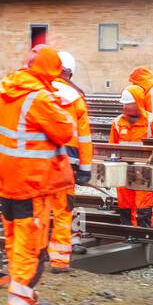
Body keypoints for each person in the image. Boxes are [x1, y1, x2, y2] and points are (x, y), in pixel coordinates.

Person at [0, 45, 76, 305]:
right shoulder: (39, 98)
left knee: (15, 243)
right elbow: (65, 131)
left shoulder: (4, 88)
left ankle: (23, 297)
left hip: (6, 183)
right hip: (31, 186)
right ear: (49, 72)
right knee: (32, 249)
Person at [47, 51, 93, 272]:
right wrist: (85, 168)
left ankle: (34, 255)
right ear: (69, 72)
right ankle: (59, 260)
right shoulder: (76, 97)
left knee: (38, 208)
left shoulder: (37, 90)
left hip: (38, 162)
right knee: (63, 209)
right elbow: (84, 138)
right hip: (67, 164)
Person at [109, 77, 153, 226]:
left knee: (143, 207)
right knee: (125, 205)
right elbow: (111, 149)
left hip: (144, 173)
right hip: (123, 173)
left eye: (128, 104)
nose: (124, 108)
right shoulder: (118, 123)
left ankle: (143, 236)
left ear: (137, 103)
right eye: (123, 105)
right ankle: (129, 234)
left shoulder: (152, 122)